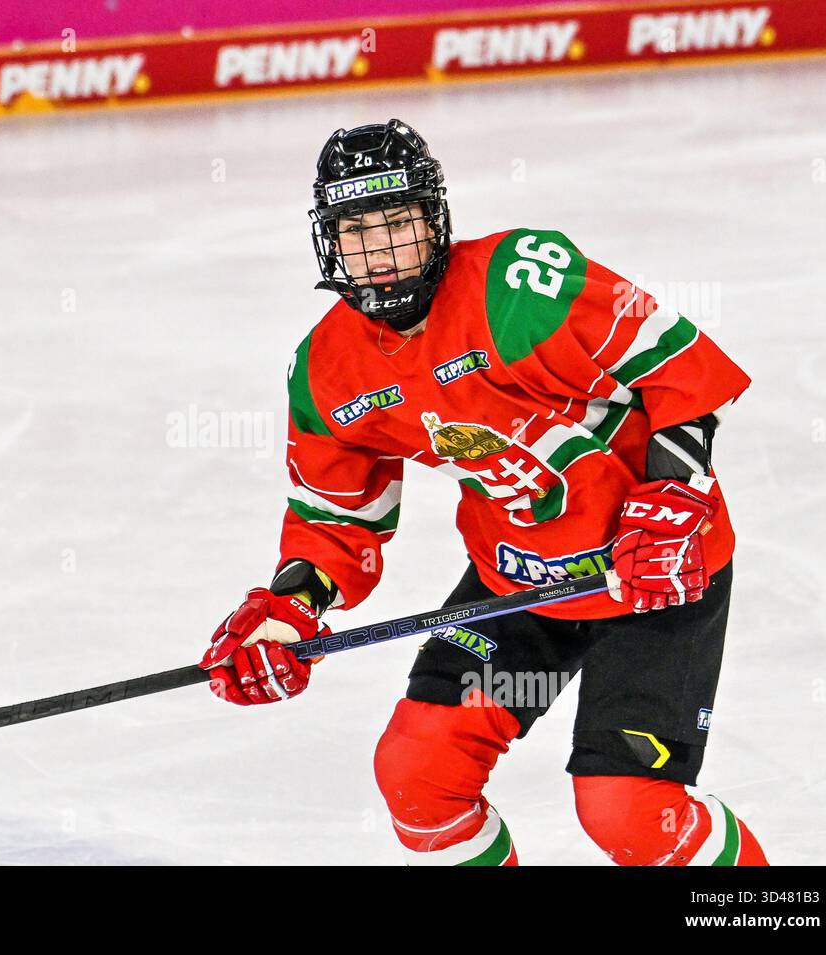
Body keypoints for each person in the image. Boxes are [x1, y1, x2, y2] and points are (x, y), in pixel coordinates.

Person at [200, 119, 767, 866]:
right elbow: (334, 514)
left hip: (649, 573)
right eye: (358, 229)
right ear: (328, 240)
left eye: (398, 223)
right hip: (520, 583)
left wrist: (675, 492)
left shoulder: (518, 287)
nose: (382, 252)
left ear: (435, 221)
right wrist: (291, 606)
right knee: (418, 773)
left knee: (630, 811)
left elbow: (676, 361)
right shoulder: (328, 370)